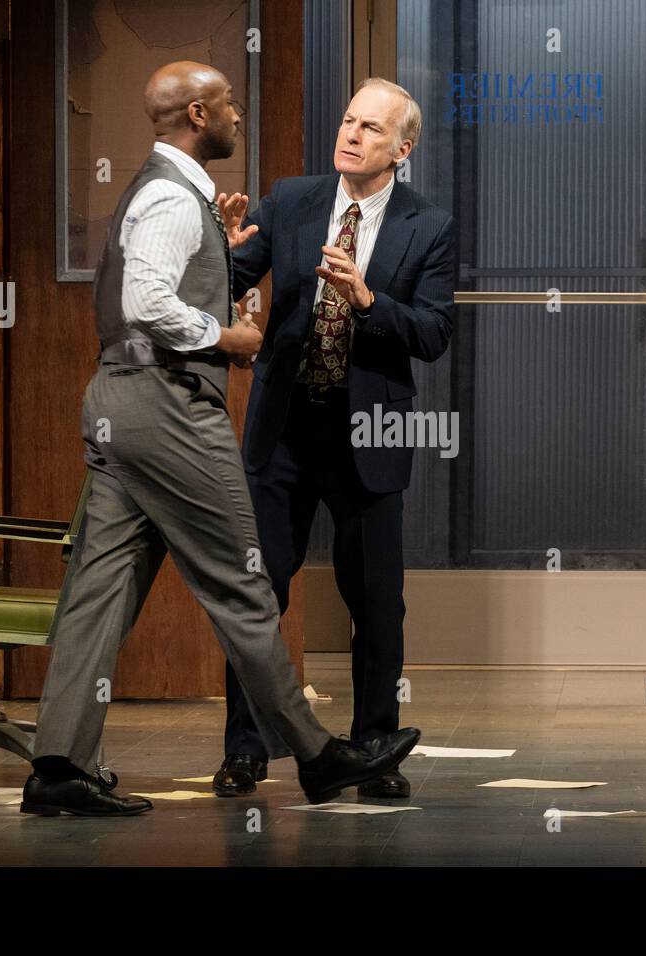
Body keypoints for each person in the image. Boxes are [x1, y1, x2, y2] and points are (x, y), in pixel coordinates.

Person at [22, 62, 420, 817]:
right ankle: (314, 755)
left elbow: (174, 285)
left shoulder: (161, 191)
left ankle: (58, 765)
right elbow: (148, 303)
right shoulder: (175, 198)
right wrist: (227, 336)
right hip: (170, 410)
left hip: (119, 404)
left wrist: (220, 259)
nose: (239, 114)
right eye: (230, 104)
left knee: (98, 593)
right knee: (244, 583)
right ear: (201, 115)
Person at [213, 78, 455, 800]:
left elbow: (435, 332)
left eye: (371, 128)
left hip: (368, 432)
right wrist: (220, 252)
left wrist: (368, 300)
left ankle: (377, 747)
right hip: (286, 431)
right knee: (258, 593)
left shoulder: (427, 225)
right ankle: (246, 748)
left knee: (376, 600)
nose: (351, 134)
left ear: (401, 148)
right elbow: (229, 277)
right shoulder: (290, 200)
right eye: (348, 119)